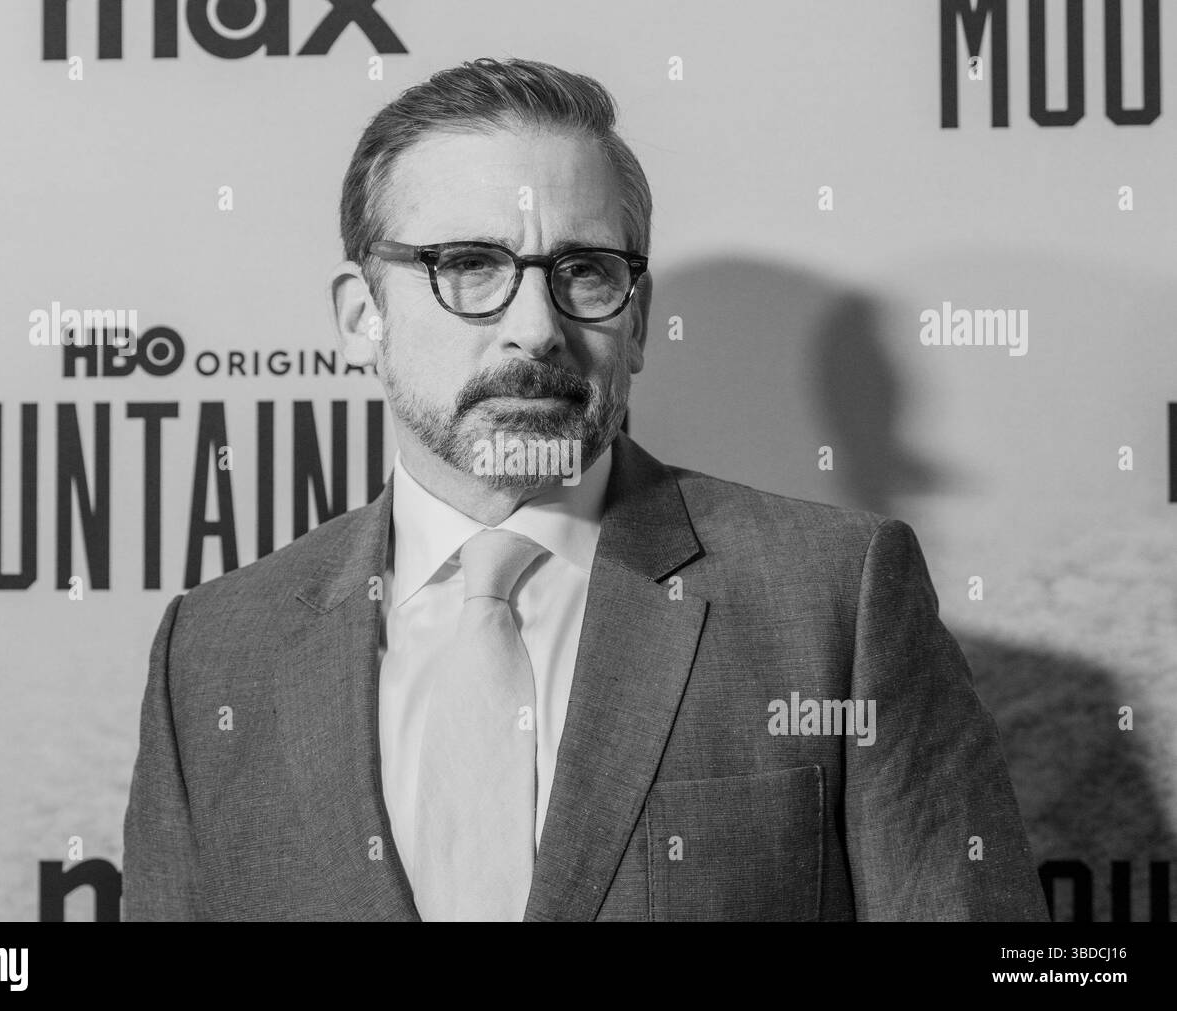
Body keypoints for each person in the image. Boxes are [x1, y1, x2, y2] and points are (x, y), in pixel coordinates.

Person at [123, 57, 1048, 922]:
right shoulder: (212, 653)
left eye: (585, 271)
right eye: (469, 266)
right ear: (363, 316)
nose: (536, 326)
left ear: (637, 324)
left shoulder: (835, 598)